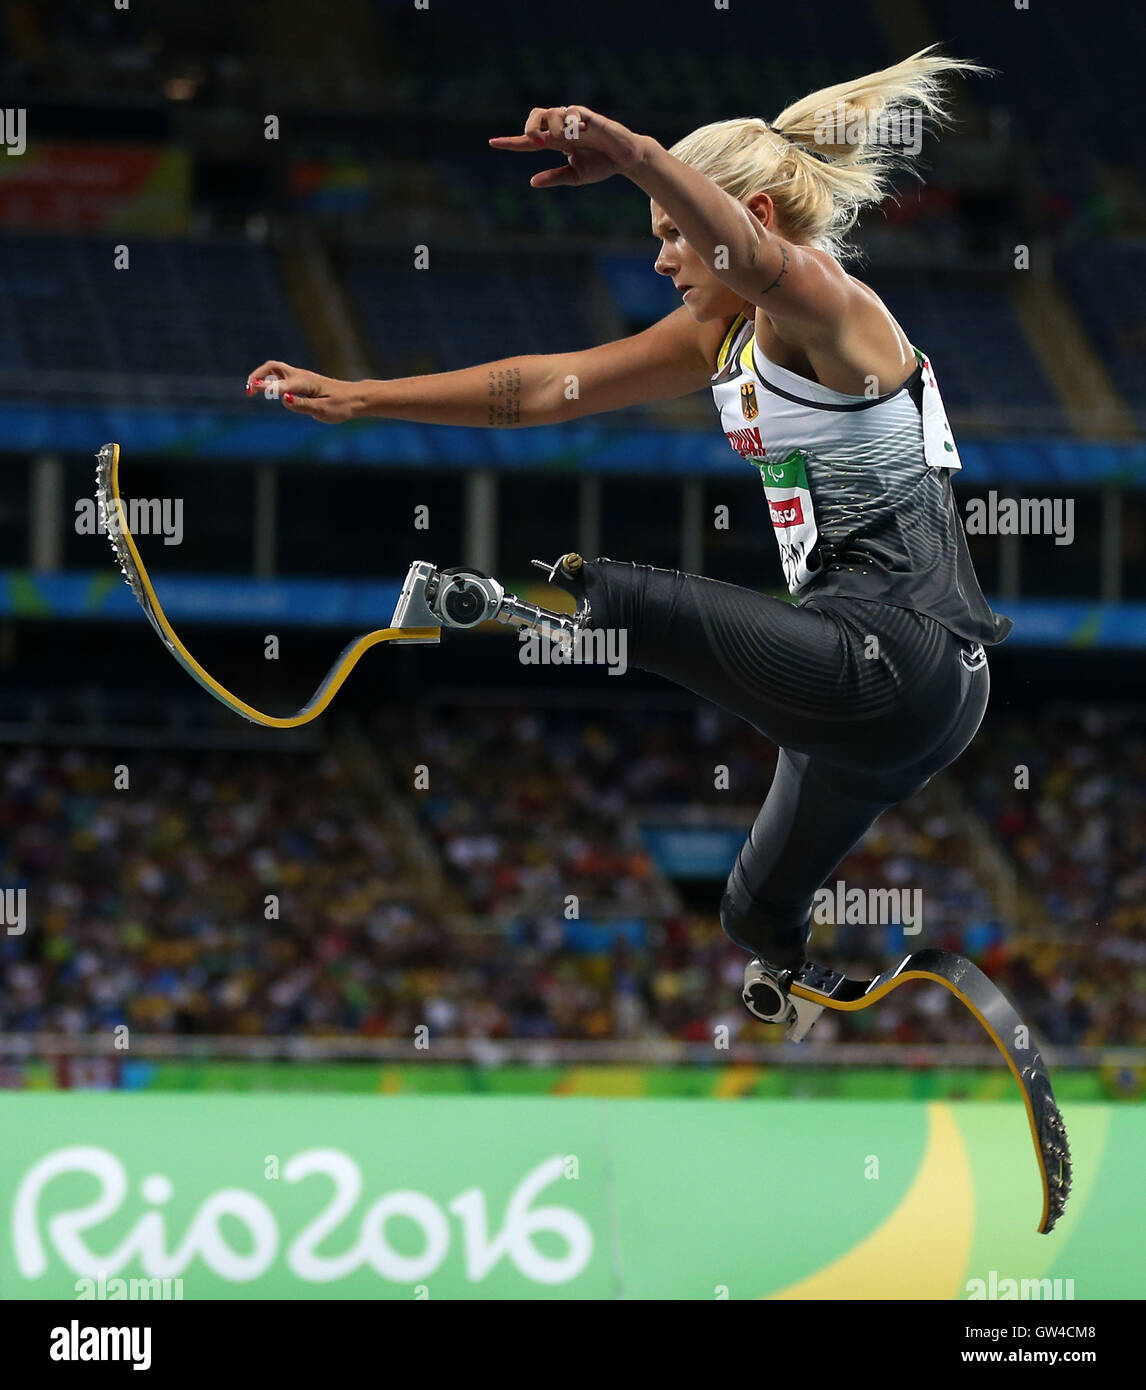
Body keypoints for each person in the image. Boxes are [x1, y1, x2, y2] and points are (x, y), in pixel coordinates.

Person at [246, 48, 1010, 1028]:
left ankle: (475, 603)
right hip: (877, 718)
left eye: (670, 239)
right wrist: (363, 394)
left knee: (625, 598)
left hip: (900, 656)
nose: (661, 261)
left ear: (750, 221)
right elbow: (543, 387)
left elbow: (745, 258)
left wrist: (635, 151)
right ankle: (811, 981)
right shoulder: (718, 342)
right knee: (750, 910)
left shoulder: (831, 309)